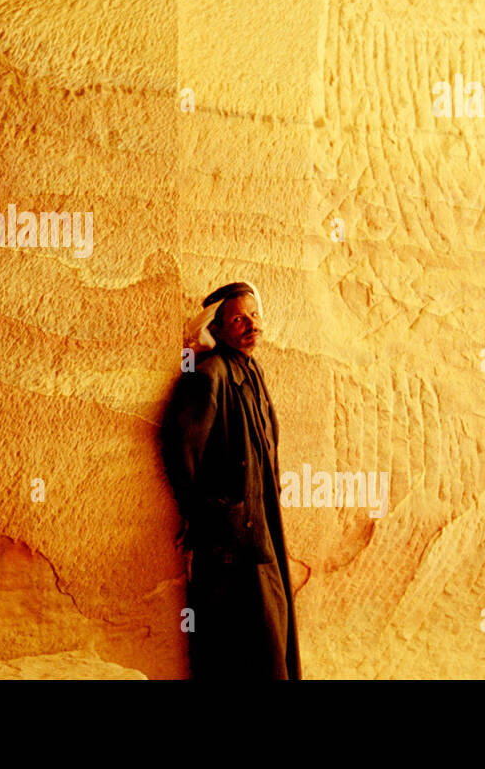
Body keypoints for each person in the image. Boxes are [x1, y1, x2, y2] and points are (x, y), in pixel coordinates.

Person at [160, 280, 302, 680]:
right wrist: (204, 518)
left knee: (270, 629)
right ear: (218, 330)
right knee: (241, 640)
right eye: (238, 318)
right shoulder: (209, 376)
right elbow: (180, 448)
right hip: (231, 537)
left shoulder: (251, 373)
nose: (250, 324)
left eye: (254, 315)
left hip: (261, 525)